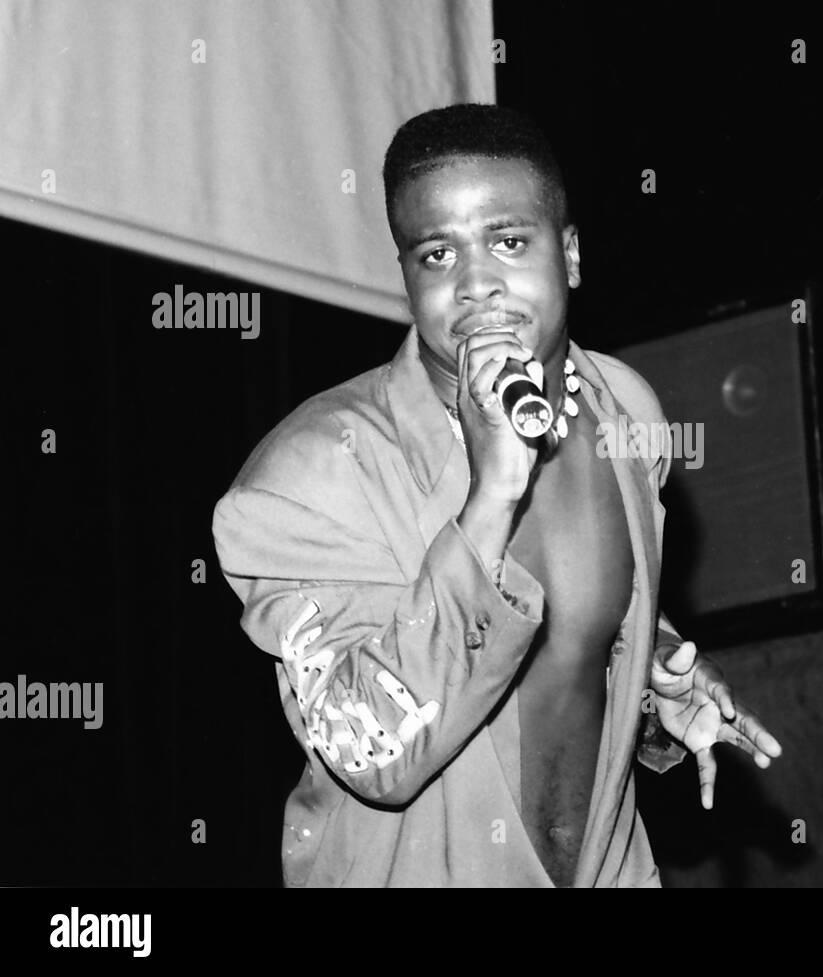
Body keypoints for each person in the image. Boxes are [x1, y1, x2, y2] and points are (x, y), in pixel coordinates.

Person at [212, 103, 782, 887]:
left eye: (509, 242)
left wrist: (658, 687)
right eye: (437, 255)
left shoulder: (626, 412)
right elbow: (368, 751)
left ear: (571, 255)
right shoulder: (307, 475)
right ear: (406, 278)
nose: (477, 285)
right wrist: (490, 501)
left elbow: (589, 620)